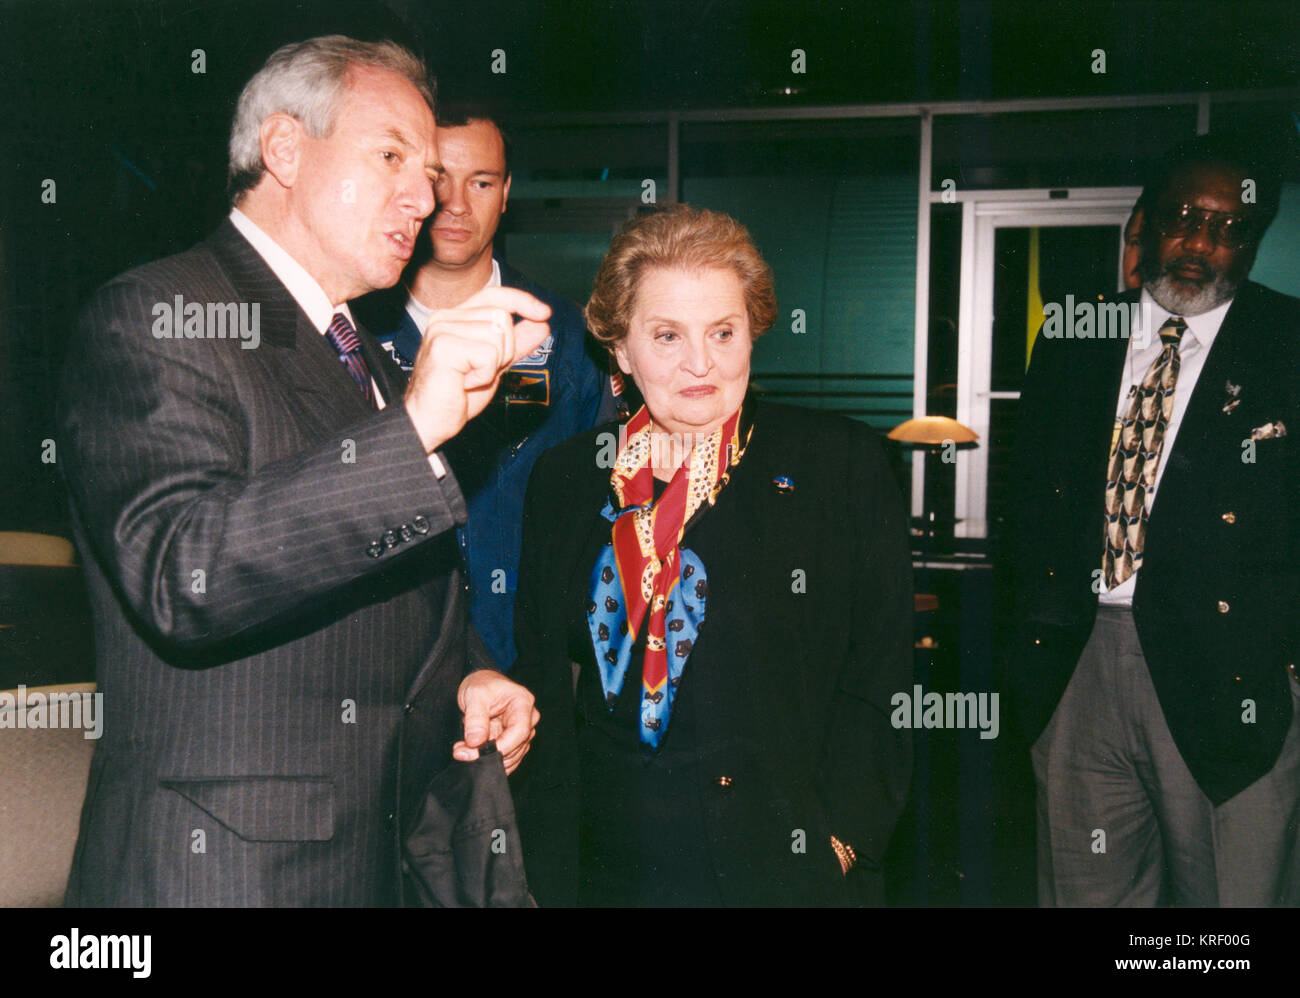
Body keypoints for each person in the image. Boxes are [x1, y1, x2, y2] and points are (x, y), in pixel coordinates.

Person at [56, 36, 543, 907]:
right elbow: (183, 572)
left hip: (368, 860)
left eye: (430, 170)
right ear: (284, 149)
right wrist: (419, 428)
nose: (425, 194)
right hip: (222, 874)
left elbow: (384, 591)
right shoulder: (160, 315)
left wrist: (468, 672)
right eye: (392, 155)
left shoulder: (364, 356)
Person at [508, 204, 914, 906]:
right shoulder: (566, 479)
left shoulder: (838, 464)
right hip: (611, 867)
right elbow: (544, 672)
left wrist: (845, 840)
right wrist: (545, 864)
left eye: (723, 332)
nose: (701, 363)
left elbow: (884, 671)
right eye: (667, 335)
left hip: (784, 867)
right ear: (621, 349)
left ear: (752, 332)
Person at [1010, 133, 1299, 906]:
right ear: (1147, 222)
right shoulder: (1074, 335)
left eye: (1229, 227)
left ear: (1254, 238)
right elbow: (1028, 499)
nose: (1201, 244)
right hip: (1076, 663)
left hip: (1229, 669)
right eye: (1182, 218)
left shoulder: (1287, 345)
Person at [354, 108, 616, 672]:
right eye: (438, 178)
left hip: (531, 667)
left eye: (481, 182)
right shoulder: (353, 334)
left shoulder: (565, 336)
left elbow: (606, 510)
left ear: (506, 194)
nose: (454, 204)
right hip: (386, 670)